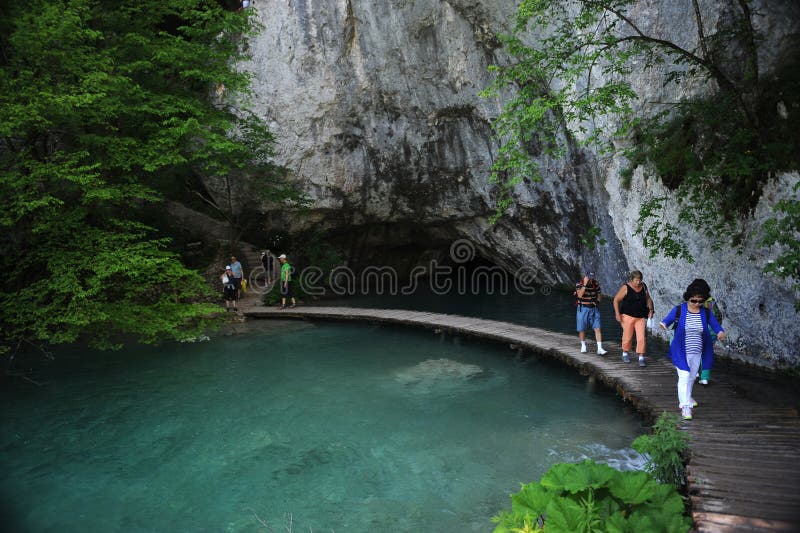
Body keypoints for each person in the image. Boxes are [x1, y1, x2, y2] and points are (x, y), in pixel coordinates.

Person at [659, 280, 726, 420]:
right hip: (680, 351)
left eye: (700, 301)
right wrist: (663, 325)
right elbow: (666, 321)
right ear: (687, 297)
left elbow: (716, 326)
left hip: (697, 351)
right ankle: (685, 407)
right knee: (684, 375)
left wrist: (720, 333)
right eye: (693, 300)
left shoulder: (706, 313)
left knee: (690, 377)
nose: (696, 303)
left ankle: (688, 398)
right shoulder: (679, 310)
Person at [612, 270, 654, 367]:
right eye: (636, 280)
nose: (638, 282)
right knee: (628, 336)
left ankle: (641, 357)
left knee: (641, 337)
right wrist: (617, 314)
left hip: (640, 316)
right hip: (627, 316)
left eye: (639, 280)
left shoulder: (643, 286)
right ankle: (625, 353)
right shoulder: (625, 287)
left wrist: (651, 310)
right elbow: (616, 300)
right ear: (631, 279)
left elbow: (648, 298)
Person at [575, 270, 607, 355]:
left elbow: (599, 294)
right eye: (589, 278)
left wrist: (598, 302)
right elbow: (580, 295)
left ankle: (599, 348)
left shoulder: (595, 283)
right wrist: (585, 285)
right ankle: (583, 345)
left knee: (597, 328)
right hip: (583, 308)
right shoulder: (579, 284)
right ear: (586, 276)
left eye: (592, 278)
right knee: (582, 328)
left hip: (594, 308)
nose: (591, 280)